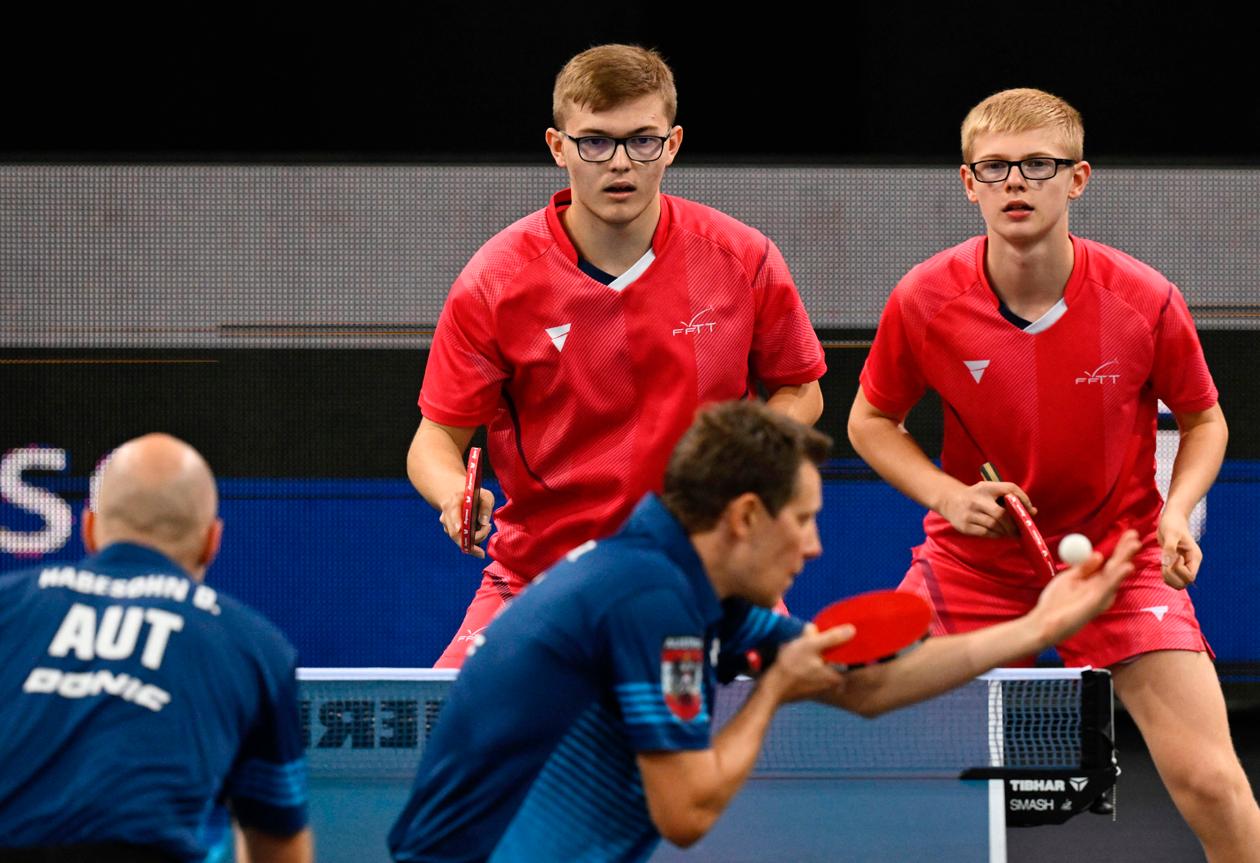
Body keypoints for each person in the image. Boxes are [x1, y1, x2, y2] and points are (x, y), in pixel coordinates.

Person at [388, 400, 1140, 862]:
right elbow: (686, 814)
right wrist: (773, 688)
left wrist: (1039, 624)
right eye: (804, 520)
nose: (814, 547)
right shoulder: (650, 603)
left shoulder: (685, 579)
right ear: (746, 516)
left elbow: (861, 684)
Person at [848, 87, 1260, 860]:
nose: (1016, 182)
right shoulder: (925, 299)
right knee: (893, 764)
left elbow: (1205, 421)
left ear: (1077, 178)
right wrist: (946, 494)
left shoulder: (1143, 299)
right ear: (967, 182)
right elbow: (869, 421)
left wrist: (1177, 509)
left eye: (1038, 164)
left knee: (1212, 779)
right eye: (996, 167)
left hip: (1121, 558)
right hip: (973, 563)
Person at [408, 44, 827, 667]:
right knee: (444, 740)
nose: (621, 163)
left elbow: (802, 389)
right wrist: (453, 496)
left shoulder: (743, 258)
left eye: (643, 141)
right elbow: (434, 440)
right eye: (596, 142)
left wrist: (746, 457)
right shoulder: (496, 281)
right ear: (558, 147)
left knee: (786, 742)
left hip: (715, 573)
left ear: (674, 143)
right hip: (542, 576)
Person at [0, 434, 313, 863]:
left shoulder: (6, 606)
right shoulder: (257, 648)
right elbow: (278, 850)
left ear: (89, 529)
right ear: (211, 541)